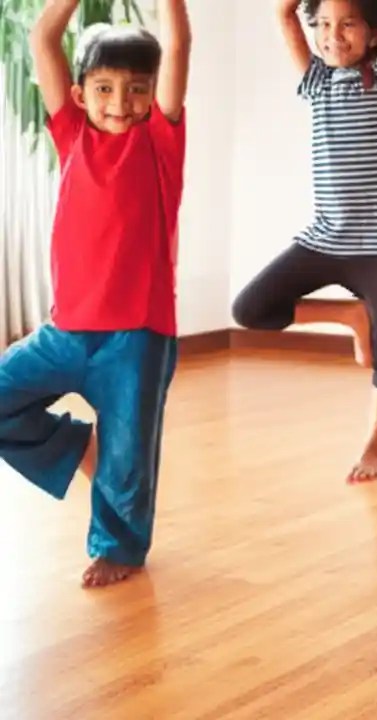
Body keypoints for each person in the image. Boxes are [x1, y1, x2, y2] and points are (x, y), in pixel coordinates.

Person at [0, 0, 191, 588]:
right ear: (80, 94)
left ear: (155, 93)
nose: (120, 103)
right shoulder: (72, 135)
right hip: (67, 331)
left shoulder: (160, 140)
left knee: (130, 457)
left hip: (137, 336)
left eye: (137, 89)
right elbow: (43, 37)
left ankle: (119, 550)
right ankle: (81, 450)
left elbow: (178, 43)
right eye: (104, 88)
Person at [231, 0, 377, 484]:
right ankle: (347, 315)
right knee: (250, 308)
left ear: (375, 31)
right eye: (324, 24)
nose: (333, 34)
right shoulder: (316, 82)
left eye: (348, 24)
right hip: (326, 238)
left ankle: (374, 441)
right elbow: (283, 14)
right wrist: (300, 15)